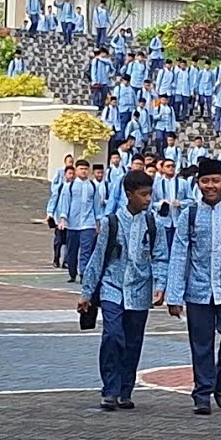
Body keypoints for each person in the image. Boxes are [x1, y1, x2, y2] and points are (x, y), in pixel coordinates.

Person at [167, 157, 221, 415]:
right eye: (205, 181)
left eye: (215, 181)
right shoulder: (190, 214)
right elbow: (179, 254)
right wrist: (175, 295)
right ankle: (202, 393)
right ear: (198, 183)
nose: (210, 186)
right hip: (198, 289)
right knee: (201, 343)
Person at [79, 169, 167, 411]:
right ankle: (109, 389)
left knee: (133, 341)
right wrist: (87, 292)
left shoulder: (153, 223)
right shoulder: (111, 223)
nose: (148, 199)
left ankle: (125, 390)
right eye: (143, 194)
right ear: (129, 195)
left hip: (140, 290)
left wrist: (160, 285)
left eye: (150, 194)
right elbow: (98, 258)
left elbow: (160, 257)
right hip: (112, 287)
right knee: (112, 336)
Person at [54, 159, 104, 283]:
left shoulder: (93, 186)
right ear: (76, 170)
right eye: (81, 169)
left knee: (86, 250)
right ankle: (72, 272)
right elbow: (65, 203)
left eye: (86, 169)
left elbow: (96, 205)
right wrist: (63, 219)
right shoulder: (69, 186)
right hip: (73, 224)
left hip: (88, 223)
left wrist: (98, 222)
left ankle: (83, 273)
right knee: (72, 250)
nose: (84, 171)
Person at [153, 158, 192, 254]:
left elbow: (192, 200)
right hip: (163, 221)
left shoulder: (184, 183)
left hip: (179, 220)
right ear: (162, 168)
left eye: (173, 166)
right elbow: (152, 203)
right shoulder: (157, 184)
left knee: (178, 249)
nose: (171, 168)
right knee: (163, 249)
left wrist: (181, 203)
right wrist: (160, 204)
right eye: (168, 166)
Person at [49, 165, 75, 267]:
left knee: (69, 241)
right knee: (59, 241)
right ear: (65, 175)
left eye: (73, 174)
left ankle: (66, 261)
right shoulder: (60, 188)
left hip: (72, 220)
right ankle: (56, 257)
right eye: (69, 173)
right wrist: (50, 213)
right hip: (59, 219)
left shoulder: (75, 188)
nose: (71, 176)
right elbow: (53, 201)